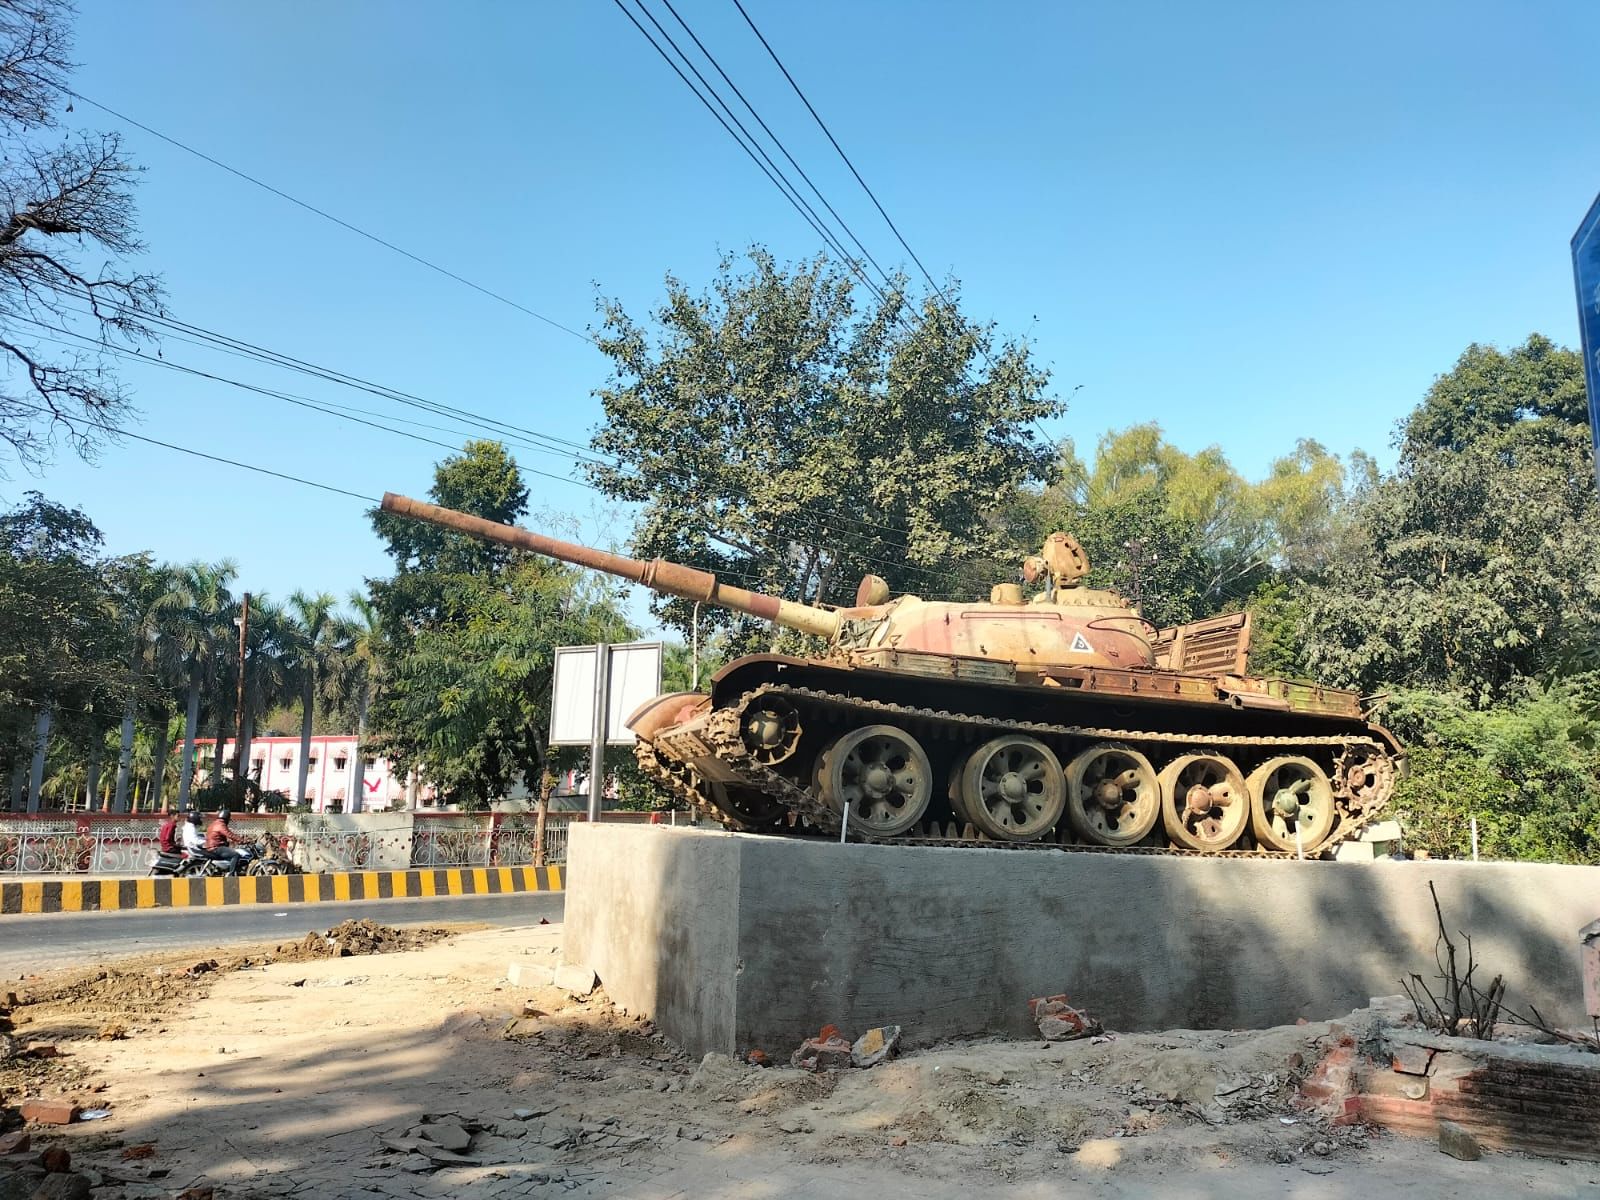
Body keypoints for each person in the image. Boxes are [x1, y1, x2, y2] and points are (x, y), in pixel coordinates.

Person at [205, 808, 249, 875]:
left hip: (211, 846)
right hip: (216, 848)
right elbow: (229, 834)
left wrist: (231, 842)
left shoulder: (214, 823)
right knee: (235, 855)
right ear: (226, 818)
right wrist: (242, 840)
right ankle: (231, 875)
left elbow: (220, 837)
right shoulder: (221, 824)